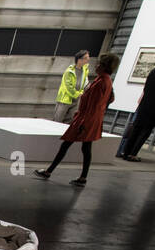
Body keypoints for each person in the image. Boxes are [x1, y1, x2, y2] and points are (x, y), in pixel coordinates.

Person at [34, 52, 119, 188]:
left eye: (99, 64)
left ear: (103, 66)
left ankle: (51, 171)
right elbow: (110, 99)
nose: (95, 66)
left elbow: (93, 104)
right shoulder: (106, 81)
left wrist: (82, 122)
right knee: (85, 148)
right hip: (91, 119)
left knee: (68, 145)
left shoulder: (100, 82)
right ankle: (80, 177)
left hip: (86, 120)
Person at [53, 51, 89, 123]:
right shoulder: (69, 71)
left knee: (69, 120)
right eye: (86, 58)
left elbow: (85, 82)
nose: (88, 60)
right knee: (58, 120)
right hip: (65, 99)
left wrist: (85, 90)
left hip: (76, 100)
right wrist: (77, 94)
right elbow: (68, 87)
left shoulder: (85, 70)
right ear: (79, 60)